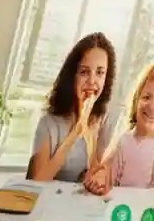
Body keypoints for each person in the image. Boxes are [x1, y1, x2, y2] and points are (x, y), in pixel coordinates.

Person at [26, 32, 119, 183]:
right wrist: (76, 131)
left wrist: (89, 136)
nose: (92, 81)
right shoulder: (48, 123)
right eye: (84, 72)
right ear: (72, 76)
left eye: (100, 73)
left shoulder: (107, 121)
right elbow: (38, 181)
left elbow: (98, 178)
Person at [83, 62, 154, 194]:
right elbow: (107, 176)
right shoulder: (124, 142)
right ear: (135, 102)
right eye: (147, 97)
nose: (153, 106)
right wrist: (99, 180)